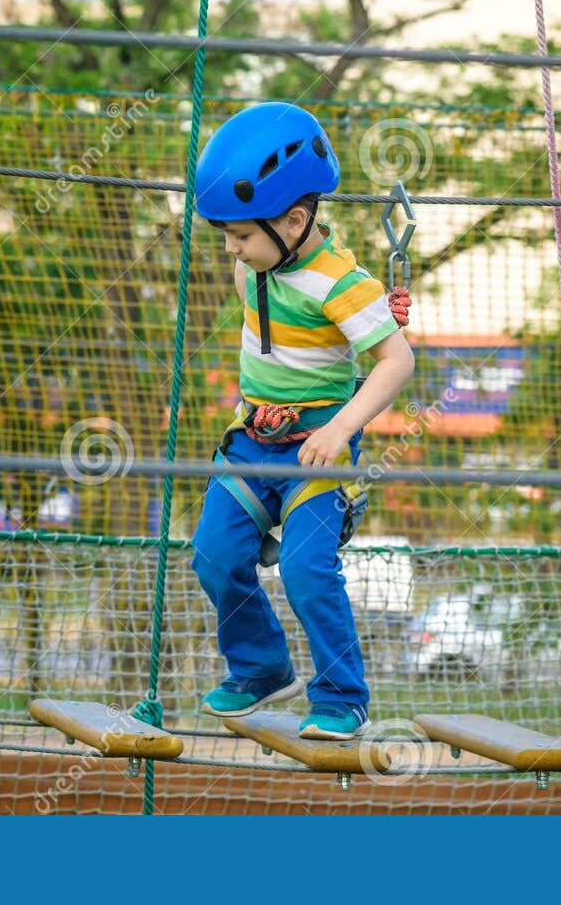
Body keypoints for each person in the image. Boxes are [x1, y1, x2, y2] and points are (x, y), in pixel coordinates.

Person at [188, 102, 415, 741]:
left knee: (306, 569)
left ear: (294, 219)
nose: (231, 248)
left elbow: (396, 361)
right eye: (226, 235)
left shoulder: (345, 283)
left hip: (319, 442)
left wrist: (341, 429)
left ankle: (342, 696)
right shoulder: (252, 264)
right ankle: (261, 670)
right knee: (214, 554)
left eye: (239, 236)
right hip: (251, 437)